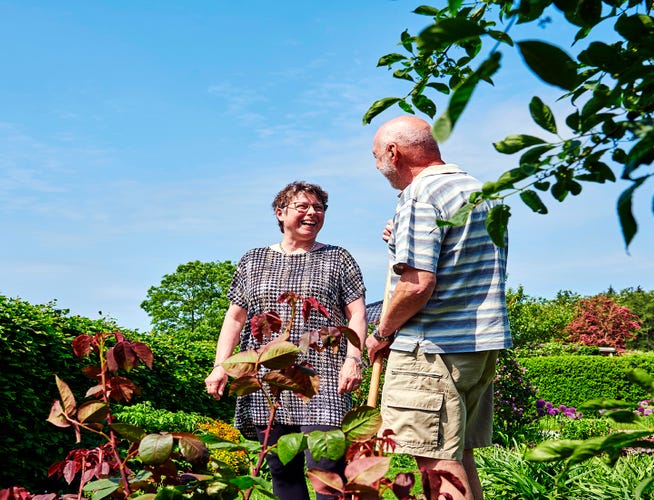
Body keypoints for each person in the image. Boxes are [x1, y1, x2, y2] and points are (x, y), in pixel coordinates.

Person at [366, 116, 512, 500]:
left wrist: (381, 332)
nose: (378, 166)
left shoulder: (420, 195)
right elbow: (457, 258)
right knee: (458, 456)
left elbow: (417, 284)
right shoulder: (480, 192)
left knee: (435, 464)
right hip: (478, 344)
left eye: (377, 156)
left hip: (432, 349)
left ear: (394, 153)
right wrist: (401, 235)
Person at [205, 181, 367, 500]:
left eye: (318, 208)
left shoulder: (339, 258)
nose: (312, 213)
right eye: (303, 207)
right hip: (267, 381)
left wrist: (354, 358)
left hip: (324, 380)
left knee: (326, 469)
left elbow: (357, 315)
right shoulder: (253, 260)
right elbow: (235, 318)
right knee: (282, 471)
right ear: (280, 213)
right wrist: (221, 366)